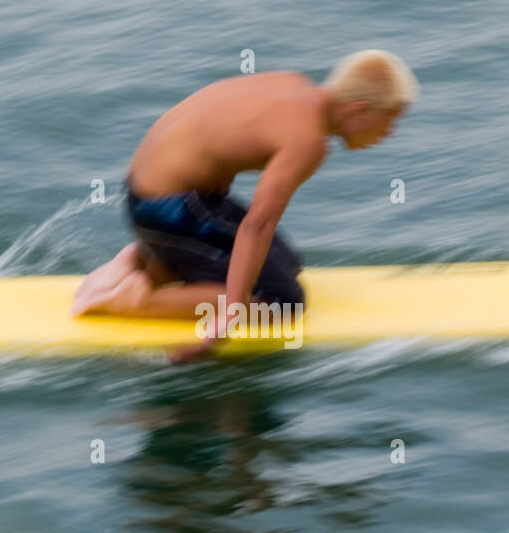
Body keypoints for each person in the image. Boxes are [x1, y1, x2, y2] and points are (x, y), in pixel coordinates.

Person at [71, 49, 418, 355]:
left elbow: (219, 133)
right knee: (282, 304)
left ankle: (148, 264)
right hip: (167, 209)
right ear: (359, 110)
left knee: (286, 262)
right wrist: (230, 314)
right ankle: (134, 303)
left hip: (148, 194)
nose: (390, 133)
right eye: (390, 120)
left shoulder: (293, 84)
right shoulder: (308, 143)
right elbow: (257, 225)